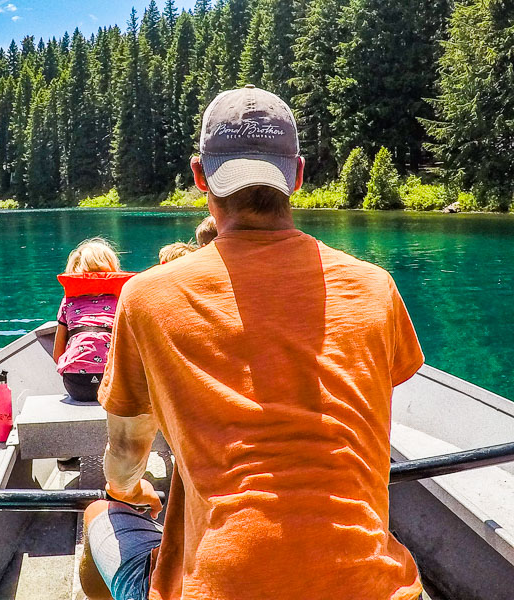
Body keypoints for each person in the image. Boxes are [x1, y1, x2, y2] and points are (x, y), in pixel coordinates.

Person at [80, 86, 425, 600]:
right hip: (382, 589)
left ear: (200, 176)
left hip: (220, 589)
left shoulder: (146, 298)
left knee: (98, 515)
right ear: (298, 177)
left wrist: (127, 491)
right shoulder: (375, 287)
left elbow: (128, 449)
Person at [53, 238, 134, 403]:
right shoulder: (122, 299)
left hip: (76, 385)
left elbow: (57, 354)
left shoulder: (68, 301)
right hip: (114, 383)